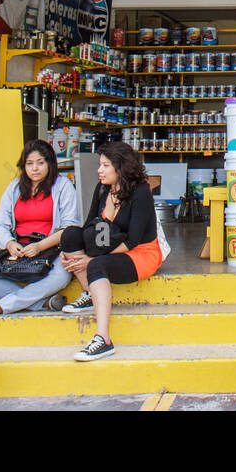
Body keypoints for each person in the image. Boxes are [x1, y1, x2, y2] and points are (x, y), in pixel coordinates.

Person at [59, 142, 163, 361]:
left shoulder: (141, 191)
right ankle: (90, 293)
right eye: (100, 165)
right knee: (70, 235)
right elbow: (89, 226)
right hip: (110, 243)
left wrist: (90, 260)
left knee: (97, 265)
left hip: (140, 253)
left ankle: (103, 340)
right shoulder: (103, 189)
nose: (100, 170)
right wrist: (70, 250)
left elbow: (134, 240)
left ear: (121, 167)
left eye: (105, 165)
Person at [0, 140, 80, 317]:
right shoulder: (15, 187)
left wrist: (40, 246)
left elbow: (70, 227)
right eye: (29, 164)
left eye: (40, 163)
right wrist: (9, 243)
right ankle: (42, 303)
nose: (35, 169)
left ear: (50, 163)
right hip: (20, 252)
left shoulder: (63, 186)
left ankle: (1, 307)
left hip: (49, 250)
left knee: (61, 277)